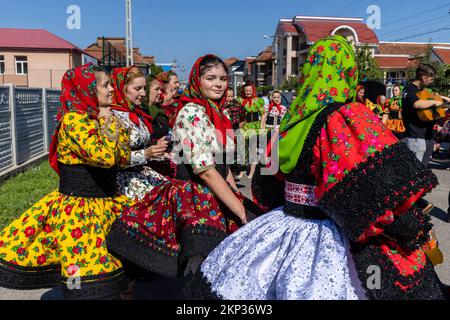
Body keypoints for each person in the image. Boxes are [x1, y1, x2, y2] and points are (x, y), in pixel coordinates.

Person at [189, 35, 447, 300]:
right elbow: (374, 191)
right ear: (347, 71)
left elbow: (267, 183)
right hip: (330, 232)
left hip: (288, 224)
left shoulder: (292, 118)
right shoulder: (346, 116)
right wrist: (408, 224)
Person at [0, 63, 134, 300]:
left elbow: (122, 157)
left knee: (119, 275)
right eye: (105, 85)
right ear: (88, 90)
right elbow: (103, 157)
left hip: (107, 204)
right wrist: (109, 124)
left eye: (111, 84)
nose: (113, 89)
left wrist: (108, 123)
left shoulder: (102, 118)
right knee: (86, 282)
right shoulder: (74, 121)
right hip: (80, 212)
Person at [402, 63, 450, 167]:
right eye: (431, 79)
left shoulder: (424, 91)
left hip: (428, 137)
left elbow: (433, 100)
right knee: (414, 171)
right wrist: (434, 102)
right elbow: (417, 104)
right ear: (424, 77)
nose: (432, 82)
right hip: (416, 137)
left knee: (422, 171)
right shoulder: (409, 89)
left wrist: (441, 101)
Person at [236, 82, 266, 180]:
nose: (248, 92)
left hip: (254, 126)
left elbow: (263, 114)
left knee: (252, 149)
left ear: (252, 90)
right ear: (243, 91)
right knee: (242, 149)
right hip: (244, 126)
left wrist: (262, 126)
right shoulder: (240, 100)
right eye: (246, 91)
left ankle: (252, 172)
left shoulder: (258, 100)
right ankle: (243, 170)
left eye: (250, 90)